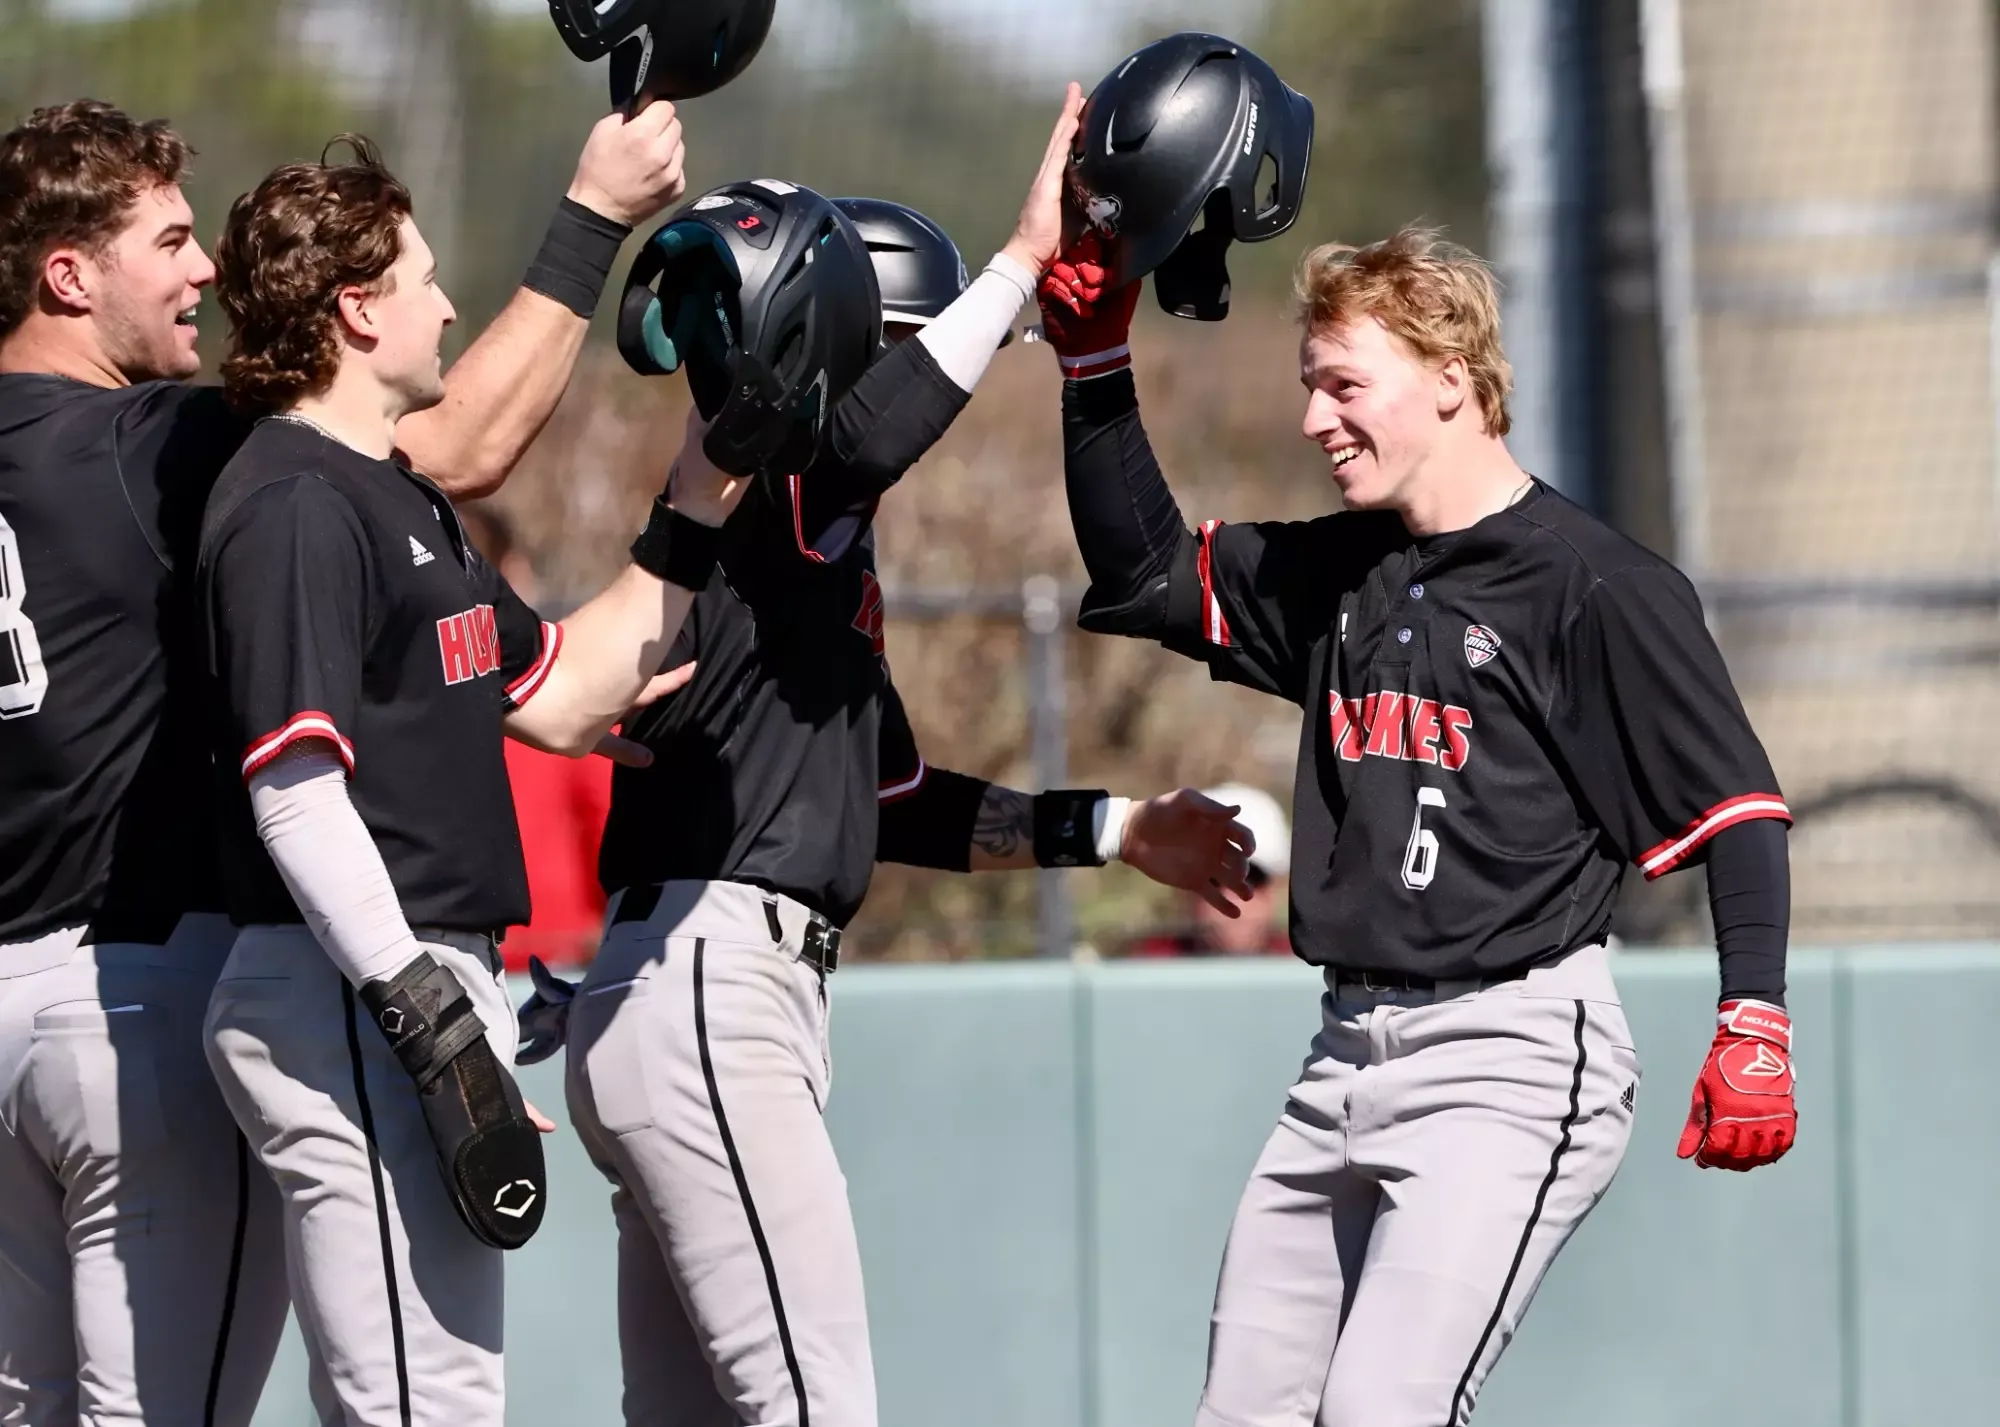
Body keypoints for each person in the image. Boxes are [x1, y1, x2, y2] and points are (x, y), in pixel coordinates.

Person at [529, 93, 1254, 1427]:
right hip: (710, 983)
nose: (932, 378)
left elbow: (896, 799)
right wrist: (1018, 261)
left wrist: (1113, 830)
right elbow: (870, 433)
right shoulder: (773, 463)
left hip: (689, 989)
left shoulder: (803, 551)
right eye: (905, 344)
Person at [1037, 199, 1797, 1418]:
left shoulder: (1595, 586)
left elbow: (1736, 811)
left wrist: (1751, 1015)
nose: (1310, 417)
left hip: (1509, 1052)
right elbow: (1145, 575)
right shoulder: (1347, 568)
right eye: (1307, 384)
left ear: (1450, 378)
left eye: (1343, 383)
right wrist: (1091, 366)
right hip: (1340, 1051)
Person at [0, 96, 684, 1426]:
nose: (201, 271)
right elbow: (439, 442)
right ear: (66, 275)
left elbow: (542, 681)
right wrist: (592, 218)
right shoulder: (171, 450)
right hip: (129, 993)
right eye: (169, 241)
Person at [194, 137, 737, 1427]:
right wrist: (426, 1016)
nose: (445, 304)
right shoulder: (288, 500)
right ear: (355, 307)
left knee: (439, 1393)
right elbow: (296, 796)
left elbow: (558, 690)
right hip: (349, 990)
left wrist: (704, 479)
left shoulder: (395, 498)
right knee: (415, 1401)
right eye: (423, 280)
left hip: (399, 989)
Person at [458, 504, 615, 972]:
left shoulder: (383, 702)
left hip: (439, 969)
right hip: (558, 961)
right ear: (514, 574)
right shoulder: (568, 700)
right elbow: (610, 823)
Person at [1130, 783, 1292, 956]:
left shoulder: (1307, 968)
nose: (1231, 898)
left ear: (1276, 889)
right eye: (1213, 879)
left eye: (1250, 878)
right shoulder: (1149, 967)